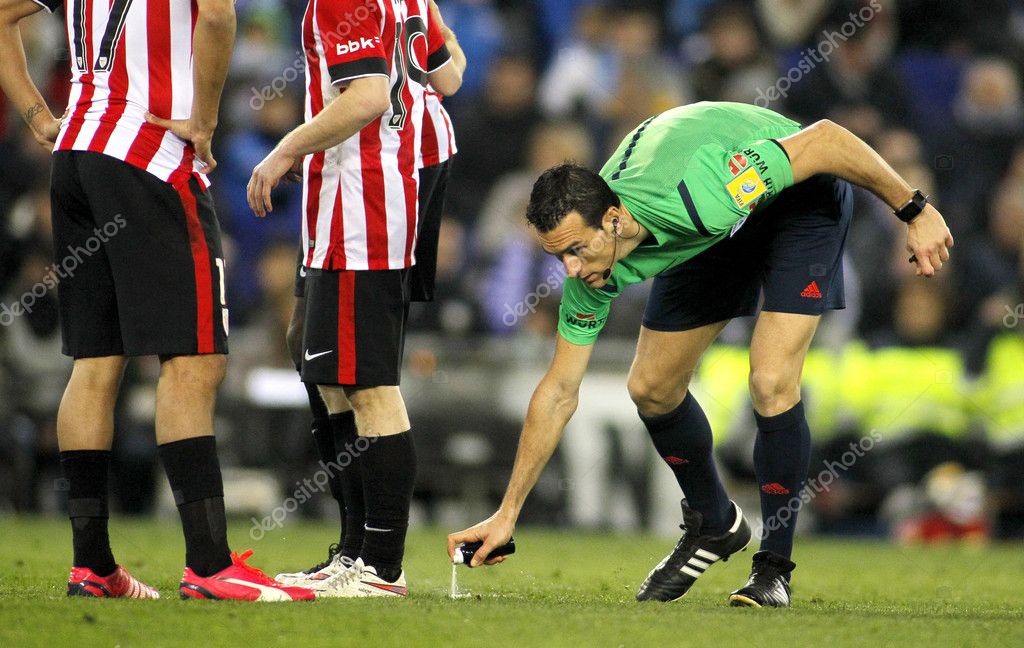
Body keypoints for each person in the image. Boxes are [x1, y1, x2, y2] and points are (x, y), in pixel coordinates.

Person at [448, 101, 953, 608]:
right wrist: (507, 513)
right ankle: (714, 523)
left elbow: (826, 140)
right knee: (651, 388)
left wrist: (913, 209)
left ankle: (773, 569)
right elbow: (559, 390)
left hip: (798, 203)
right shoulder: (594, 262)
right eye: (557, 255)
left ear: (615, 220)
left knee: (771, 379)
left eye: (576, 250)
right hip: (717, 229)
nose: (570, 270)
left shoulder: (704, 192)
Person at [0, 0, 313, 600]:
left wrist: (37, 114)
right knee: (194, 357)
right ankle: (209, 561)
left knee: (95, 362)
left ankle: (91, 565)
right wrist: (204, 120)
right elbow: (219, 16)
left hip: (76, 155)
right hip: (151, 155)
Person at [247, 0, 465, 598]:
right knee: (317, 360)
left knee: (366, 379)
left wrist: (287, 146)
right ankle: (353, 552)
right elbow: (450, 74)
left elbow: (367, 96)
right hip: (387, 177)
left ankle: (381, 565)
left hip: (370, 191)